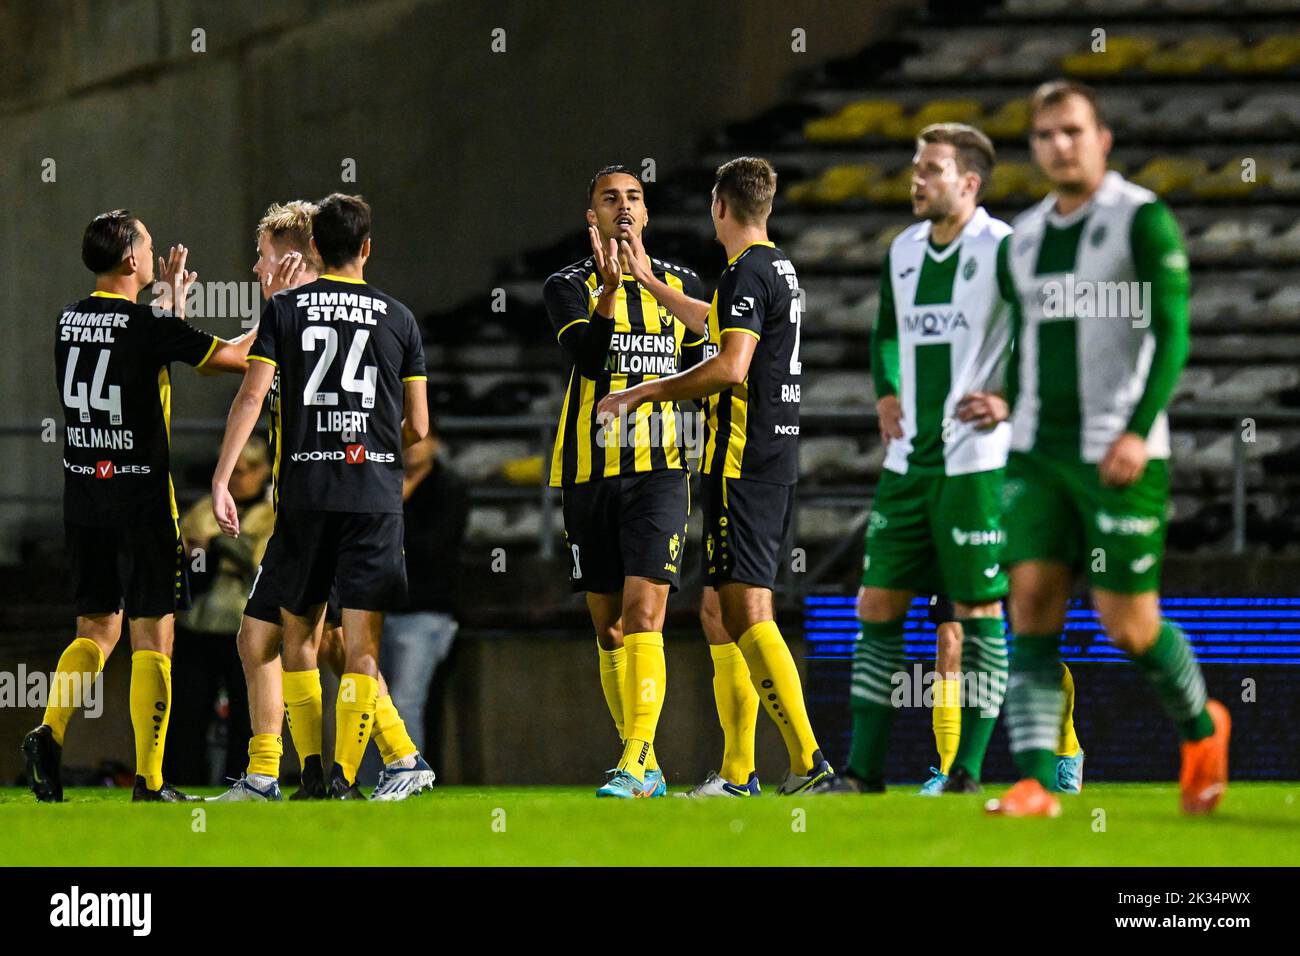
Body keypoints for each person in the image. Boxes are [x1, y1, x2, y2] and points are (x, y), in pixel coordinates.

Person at [966, 81, 1228, 817]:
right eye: (1045, 134)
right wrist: (1006, 403)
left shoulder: (1141, 219)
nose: (1059, 144)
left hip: (1118, 452)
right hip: (1036, 455)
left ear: (1102, 139)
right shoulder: (1021, 239)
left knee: (1128, 624)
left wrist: (1140, 430)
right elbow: (1023, 347)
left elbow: (1172, 334)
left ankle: (1204, 730)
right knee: (1031, 606)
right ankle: (1035, 783)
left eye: (1072, 130)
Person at [811, 124, 1083, 796]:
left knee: (978, 612)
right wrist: (885, 390)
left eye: (930, 168)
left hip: (977, 465)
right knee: (876, 605)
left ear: (969, 183)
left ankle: (965, 770)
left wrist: (1011, 400)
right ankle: (863, 773)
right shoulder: (902, 251)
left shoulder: (1005, 249)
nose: (916, 179)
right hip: (909, 464)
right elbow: (885, 332)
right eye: (915, 166)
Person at [598, 156, 833, 795]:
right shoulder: (772, 267)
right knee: (716, 610)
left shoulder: (745, 272)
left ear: (718, 207)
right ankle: (737, 771)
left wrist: (645, 392)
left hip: (742, 458)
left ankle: (809, 761)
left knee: (746, 607)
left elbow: (731, 365)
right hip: (772, 457)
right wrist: (651, 284)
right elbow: (718, 323)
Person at [24, 209, 255, 802]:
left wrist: (170, 308)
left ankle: (48, 733)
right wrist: (280, 308)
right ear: (131, 260)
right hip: (144, 500)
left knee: (96, 629)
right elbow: (233, 358)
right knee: (154, 634)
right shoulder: (147, 324)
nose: (154, 255)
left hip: (83, 494)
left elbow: (137, 354)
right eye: (148, 245)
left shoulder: (69, 318)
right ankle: (150, 780)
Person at [211, 200, 432, 802]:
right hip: (360, 494)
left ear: (297, 257)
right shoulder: (391, 318)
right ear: (364, 247)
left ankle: (312, 772)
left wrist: (222, 475)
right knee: (291, 640)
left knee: (310, 641)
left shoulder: (289, 315)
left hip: (313, 497)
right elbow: (417, 425)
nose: (257, 270)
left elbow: (247, 391)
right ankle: (319, 771)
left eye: (261, 259)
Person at [542, 165, 708, 798]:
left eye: (634, 197)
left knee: (646, 613)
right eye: (610, 198)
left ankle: (636, 758)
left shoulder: (681, 282)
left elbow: (713, 347)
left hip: (660, 466)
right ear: (592, 215)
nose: (624, 207)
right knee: (609, 627)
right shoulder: (566, 285)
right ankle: (646, 765)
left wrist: (643, 282)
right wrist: (611, 294)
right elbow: (587, 361)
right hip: (588, 471)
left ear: (647, 212)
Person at [165, 438, 275, 784]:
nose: (238, 478)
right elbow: (182, 548)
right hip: (198, 623)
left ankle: (242, 780)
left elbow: (261, 563)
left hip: (243, 625)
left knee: (247, 713)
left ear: (265, 470)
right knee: (188, 710)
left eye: (246, 471)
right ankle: (183, 781)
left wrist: (218, 543)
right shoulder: (205, 505)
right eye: (233, 470)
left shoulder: (273, 513)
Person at [363, 427, 468, 785]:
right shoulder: (382, 481)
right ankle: (366, 781)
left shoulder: (448, 487)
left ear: (435, 443)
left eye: (419, 439)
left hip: (425, 612)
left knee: (407, 700)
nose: (410, 447)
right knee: (370, 701)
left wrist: (395, 514)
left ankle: (406, 776)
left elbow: (433, 548)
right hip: (380, 607)